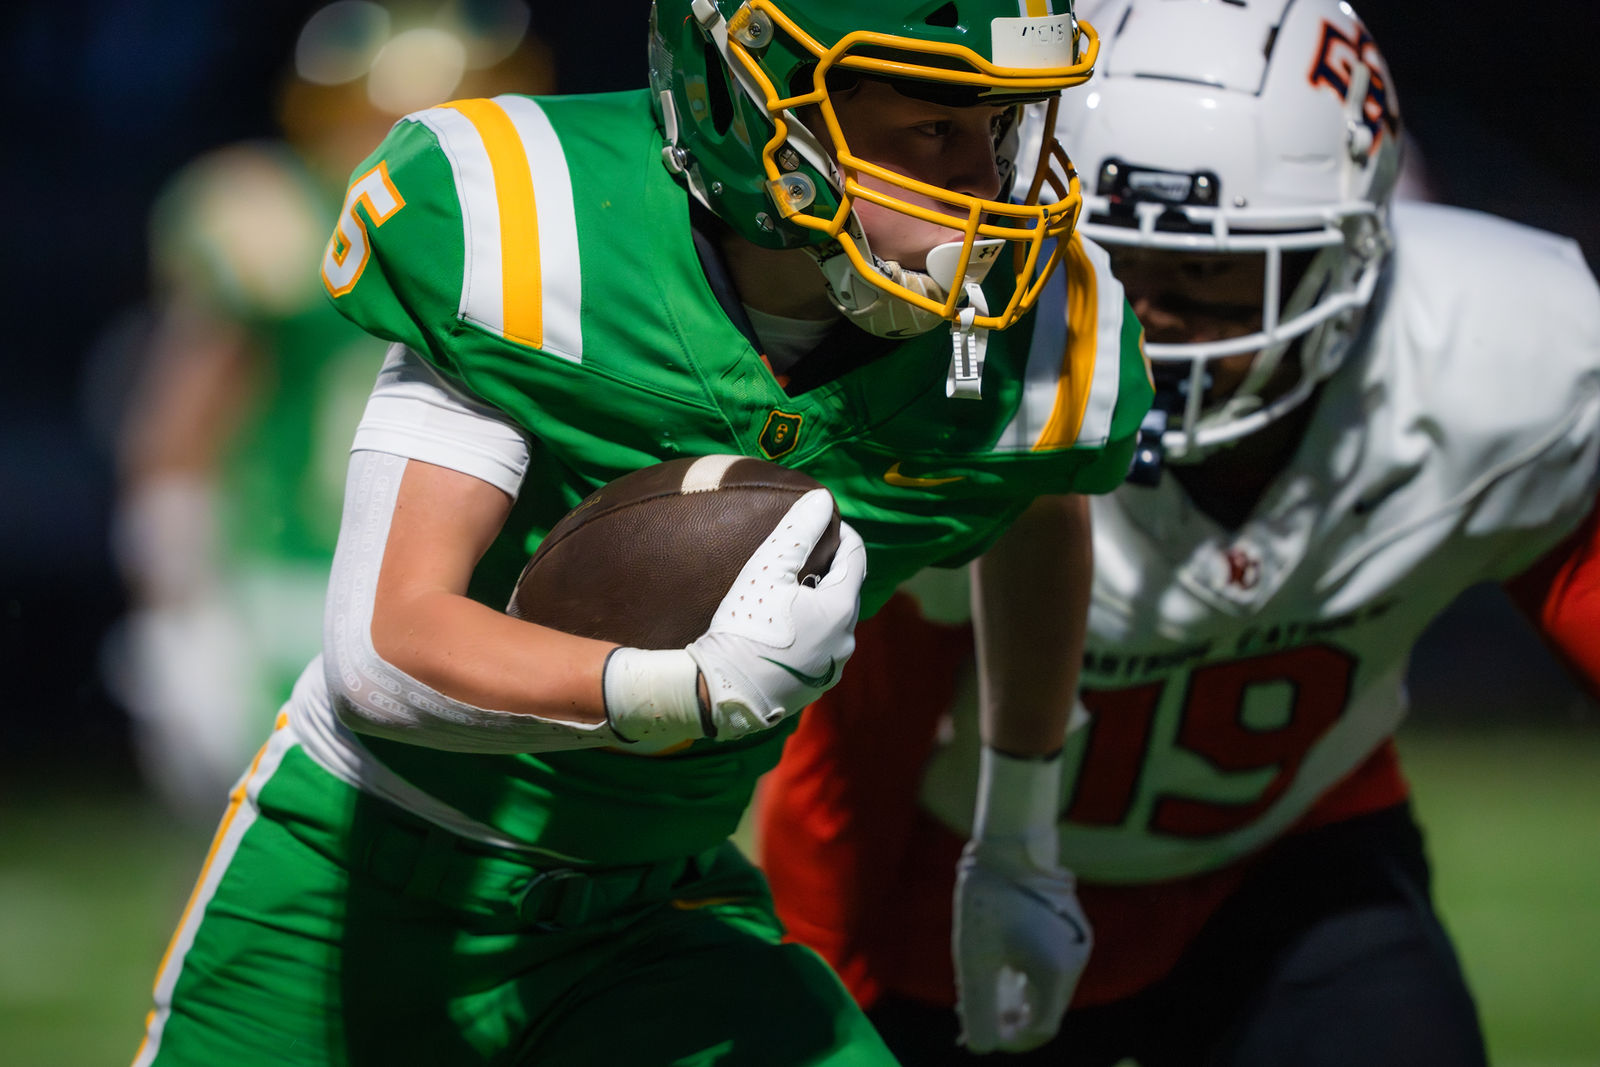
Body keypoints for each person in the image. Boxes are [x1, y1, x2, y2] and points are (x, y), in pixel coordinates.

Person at [131, 1, 1154, 1063]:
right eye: (931, 131)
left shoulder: (1038, 340)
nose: (983, 189)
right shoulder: (539, 231)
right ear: (751, 104)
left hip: (649, 914)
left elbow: (1037, 495)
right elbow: (384, 650)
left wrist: (1018, 838)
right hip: (358, 880)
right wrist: (679, 688)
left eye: (1000, 131)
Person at [756, 0, 1600, 1063]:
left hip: (1286, 869)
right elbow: (853, 757)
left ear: (1343, 268)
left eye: (1202, 275)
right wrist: (817, 984)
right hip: (962, 882)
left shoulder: (1492, 363)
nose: (1143, 320)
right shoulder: (964, 387)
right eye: (1107, 264)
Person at [105, 0, 555, 818]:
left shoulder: (533, 247)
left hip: (462, 594)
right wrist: (178, 611)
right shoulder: (270, 220)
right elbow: (181, 429)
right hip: (287, 592)